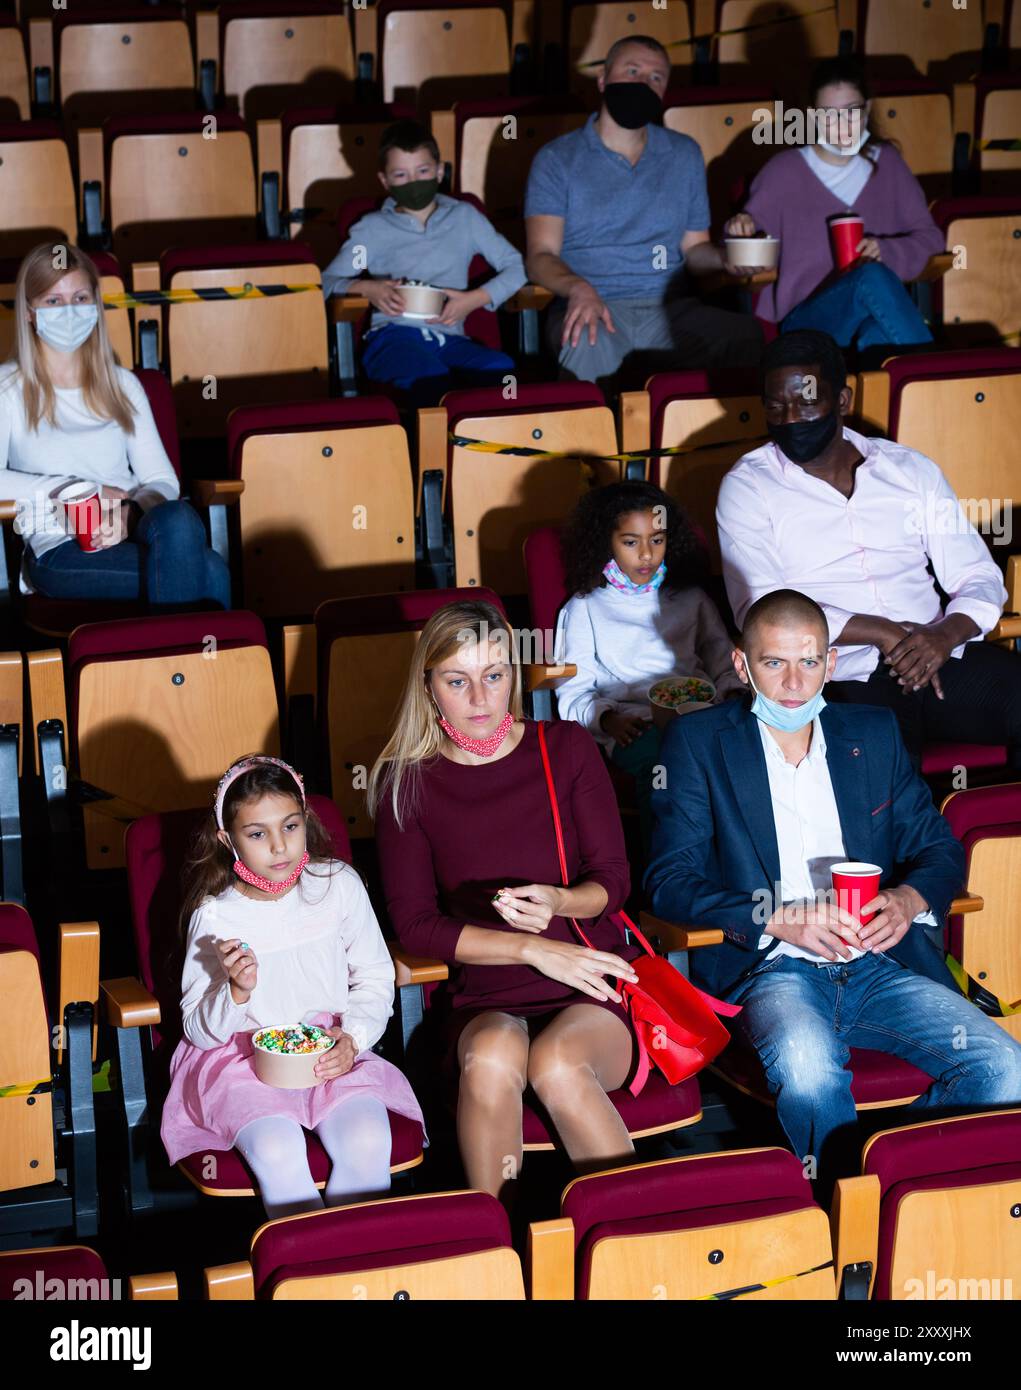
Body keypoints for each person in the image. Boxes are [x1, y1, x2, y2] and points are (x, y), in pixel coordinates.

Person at [645, 589, 1021, 1187]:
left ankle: (885, 1192)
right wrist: (774, 917)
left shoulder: (871, 732)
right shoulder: (698, 743)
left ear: (833, 662)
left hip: (880, 964)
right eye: (774, 663)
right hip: (771, 970)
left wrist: (908, 900)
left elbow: (938, 849)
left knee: (1006, 1069)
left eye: (810, 661)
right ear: (742, 666)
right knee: (810, 1070)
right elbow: (668, 883)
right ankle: (847, 1216)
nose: (794, 683)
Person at [370, 600, 642, 1205]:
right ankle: (501, 1251)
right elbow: (415, 925)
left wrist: (561, 901)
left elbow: (615, 881)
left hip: (588, 984)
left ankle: (634, 1244)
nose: (480, 697)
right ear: (428, 685)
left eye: (494, 675)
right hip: (485, 994)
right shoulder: (405, 781)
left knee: (555, 1061)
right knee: (492, 1054)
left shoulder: (565, 748)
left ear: (514, 677)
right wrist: (530, 948)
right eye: (457, 680)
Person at [717, 329, 1020, 770]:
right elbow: (760, 608)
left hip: (935, 651)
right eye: (776, 407)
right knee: (879, 773)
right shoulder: (747, 486)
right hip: (836, 673)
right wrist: (880, 631)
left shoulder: (909, 469)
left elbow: (979, 575)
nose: (790, 419)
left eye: (806, 402)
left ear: (842, 401)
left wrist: (944, 634)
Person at [160, 755, 424, 1220]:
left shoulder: (339, 885)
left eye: (290, 826)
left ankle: (355, 1275)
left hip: (327, 1052)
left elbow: (375, 977)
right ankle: (306, 1274)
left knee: (368, 1140)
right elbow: (199, 1031)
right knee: (279, 1150)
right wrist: (235, 993)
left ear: (307, 821)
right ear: (229, 841)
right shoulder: (216, 916)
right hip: (238, 1061)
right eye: (257, 834)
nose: (279, 847)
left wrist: (354, 1038)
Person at [524, 34, 763, 390]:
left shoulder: (684, 154)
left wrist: (727, 258)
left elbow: (694, 251)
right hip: (594, 306)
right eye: (632, 70)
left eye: (656, 77)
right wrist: (577, 288)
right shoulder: (557, 159)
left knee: (743, 335)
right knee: (588, 345)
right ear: (603, 79)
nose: (643, 82)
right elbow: (540, 256)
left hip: (670, 310)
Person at [1, 242, 230, 608]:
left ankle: (169, 664)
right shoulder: (7, 387)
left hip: (131, 530)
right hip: (60, 547)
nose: (69, 312)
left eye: (79, 298)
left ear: (95, 304)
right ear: (29, 312)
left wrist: (128, 515)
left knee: (179, 517)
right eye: (53, 302)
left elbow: (162, 480)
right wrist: (82, 490)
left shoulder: (122, 383)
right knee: (210, 571)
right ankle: (186, 663)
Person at [554, 481, 744, 850]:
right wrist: (608, 719)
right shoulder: (585, 607)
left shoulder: (690, 597)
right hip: (634, 724)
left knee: (739, 761)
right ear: (605, 542)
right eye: (630, 542)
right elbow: (574, 690)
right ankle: (665, 873)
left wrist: (733, 692)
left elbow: (723, 662)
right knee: (664, 772)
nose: (646, 554)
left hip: (700, 714)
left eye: (657, 540)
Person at [725, 57, 944, 359]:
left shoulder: (888, 164)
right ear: (813, 117)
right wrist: (740, 229)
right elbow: (744, 242)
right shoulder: (784, 171)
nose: (841, 126)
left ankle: (917, 396)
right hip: (807, 324)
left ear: (866, 110)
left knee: (877, 334)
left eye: (851, 113)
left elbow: (931, 239)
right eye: (829, 115)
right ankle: (935, 383)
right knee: (870, 277)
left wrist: (887, 250)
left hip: (872, 316)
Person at [321, 119, 525, 406]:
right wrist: (366, 288)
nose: (414, 182)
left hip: (451, 339)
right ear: (385, 180)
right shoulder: (372, 230)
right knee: (430, 377)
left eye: (423, 171)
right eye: (401, 175)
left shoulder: (464, 219)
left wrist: (474, 299)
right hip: (392, 337)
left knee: (501, 372)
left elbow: (515, 266)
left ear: (439, 171)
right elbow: (327, 282)